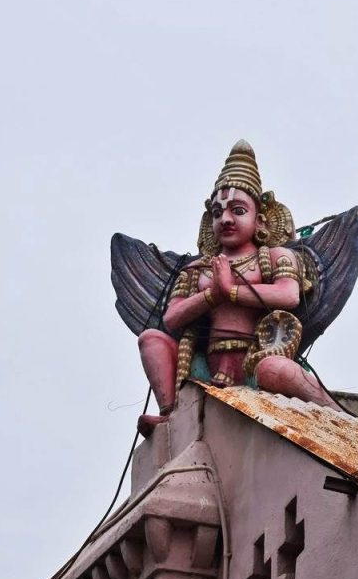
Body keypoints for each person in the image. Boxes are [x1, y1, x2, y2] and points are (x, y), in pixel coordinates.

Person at [136, 140, 342, 436]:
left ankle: (337, 417)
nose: (226, 219)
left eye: (238, 210)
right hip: (204, 364)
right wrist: (212, 295)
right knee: (151, 339)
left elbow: (288, 295)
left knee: (276, 370)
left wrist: (231, 291)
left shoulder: (275, 257)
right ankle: (170, 413)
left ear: (260, 221)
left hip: (256, 358)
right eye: (217, 213)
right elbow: (171, 318)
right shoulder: (197, 269)